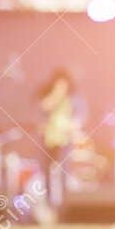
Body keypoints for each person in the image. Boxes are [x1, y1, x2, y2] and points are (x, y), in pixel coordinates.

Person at [38, 69, 81, 204]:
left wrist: (71, 126)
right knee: (47, 172)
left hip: (65, 141)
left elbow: (81, 117)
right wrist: (56, 95)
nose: (61, 87)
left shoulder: (74, 99)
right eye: (58, 84)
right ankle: (49, 202)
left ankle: (65, 203)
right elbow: (43, 107)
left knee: (64, 171)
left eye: (63, 84)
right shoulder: (49, 97)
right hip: (49, 141)